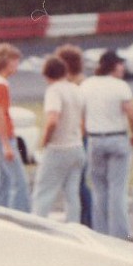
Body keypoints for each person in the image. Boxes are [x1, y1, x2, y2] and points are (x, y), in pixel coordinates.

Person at [82, 49, 133, 239]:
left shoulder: (87, 85)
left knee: (99, 189)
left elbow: (82, 115)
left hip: (95, 139)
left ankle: (101, 232)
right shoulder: (120, 86)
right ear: (113, 66)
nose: (122, 68)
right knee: (117, 188)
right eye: (120, 64)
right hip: (117, 137)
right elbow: (132, 115)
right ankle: (120, 233)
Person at [30, 55, 86, 221]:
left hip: (58, 148)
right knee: (72, 193)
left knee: (43, 191)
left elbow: (53, 120)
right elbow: (84, 120)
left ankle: (37, 226)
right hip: (76, 147)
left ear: (46, 75)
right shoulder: (76, 89)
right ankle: (73, 226)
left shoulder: (53, 91)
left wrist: (45, 140)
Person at [0, 42, 30, 212]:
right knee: (20, 182)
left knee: (2, 182)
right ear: (6, 61)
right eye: (15, 61)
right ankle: (22, 218)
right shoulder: (1, 84)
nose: (17, 65)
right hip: (4, 138)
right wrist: (6, 144)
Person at [55, 43, 94, 226]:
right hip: (79, 136)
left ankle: (87, 221)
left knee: (77, 183)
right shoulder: (75, 83)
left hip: (80, 137)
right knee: (76, 183)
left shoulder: (79, 85)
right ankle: (83, 219)